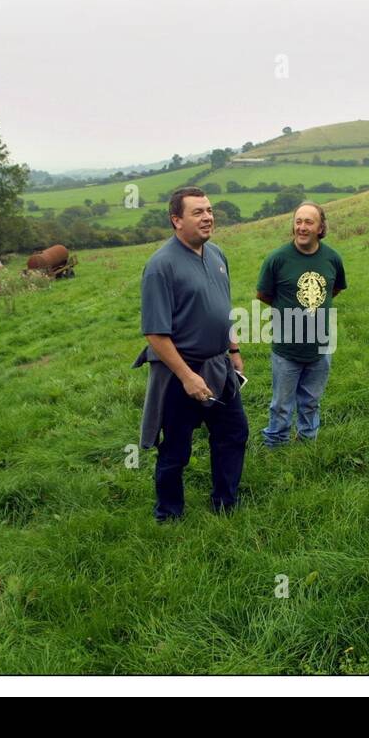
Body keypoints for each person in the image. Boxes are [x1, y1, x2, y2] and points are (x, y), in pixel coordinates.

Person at [134, 186, 248, 522]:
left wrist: (234, 349)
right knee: (176, 449)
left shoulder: (217, 255)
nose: (208, 217)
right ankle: (168, 514)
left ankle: (225, 503)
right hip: (178, 374)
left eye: (209, 210)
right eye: (197, 212)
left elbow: (222, 308)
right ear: (176, 220)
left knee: (233, 433)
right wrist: (188, 377)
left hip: (219, 365)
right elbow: (155, 332)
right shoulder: (160, 266)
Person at [256, 200, 347, 447]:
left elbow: (333, 289)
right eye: (298, 221)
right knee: (281, 405)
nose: (302, 227)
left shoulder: (332, 258)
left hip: (321, 347)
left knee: (310, 401)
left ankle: (307, 444)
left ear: (320, 227)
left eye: (309, 222)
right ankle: (276, 445)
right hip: (287, 349)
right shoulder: (277, 259)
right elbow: (263, 295)